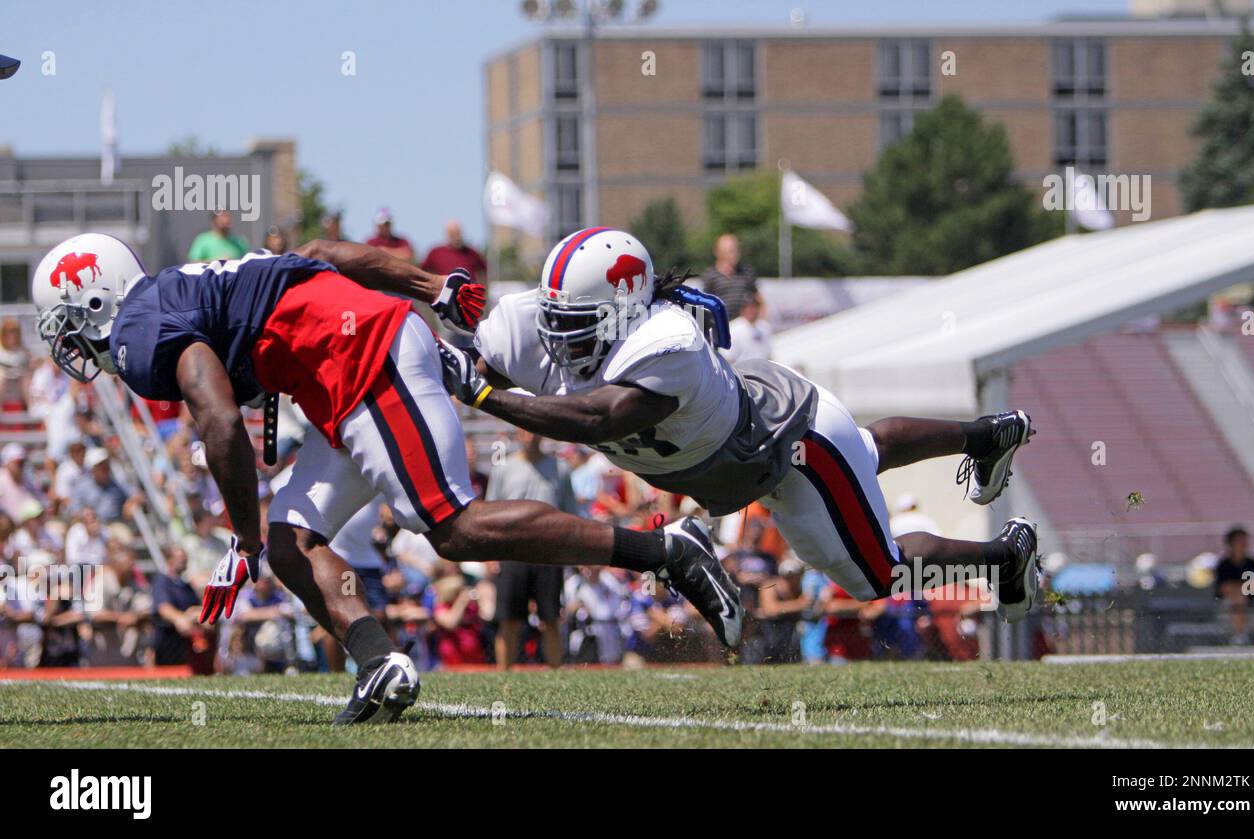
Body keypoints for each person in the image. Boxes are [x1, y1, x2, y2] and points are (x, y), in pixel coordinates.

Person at [33, 231, 737, 723]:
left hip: (366, 360)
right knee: (293, 538)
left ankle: (666, 549)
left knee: (452, 528)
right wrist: (431, 284)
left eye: (63, 321)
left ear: (92, 300)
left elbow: (218, 422)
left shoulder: (137, 331)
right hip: (346, 376)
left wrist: (238, 537)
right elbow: (317, 255)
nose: (68, 342)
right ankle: (378, 661)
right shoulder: (182, 287)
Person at [439, 227, 1042, 645]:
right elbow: (474, 351)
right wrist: (453, 338)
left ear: (622, 312)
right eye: (552, 319)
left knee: (874, 575)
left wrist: (487, 396)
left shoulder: (665, 343)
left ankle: (1004, 558)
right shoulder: (538, 319)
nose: (556, 339)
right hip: (743, 438)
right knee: (866, 450)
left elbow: (597, 419)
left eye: (574, 324)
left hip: (788, 447)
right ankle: (985, 437)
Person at [485, 428, 575, 669]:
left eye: (534, 431)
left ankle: (555, 674)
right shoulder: (503, 469)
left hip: (548, 554)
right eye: (524, 431)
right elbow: (491, 514)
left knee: (551, 618)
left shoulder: (560, 468)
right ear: (518, 434)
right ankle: (504, 678)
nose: (530, 435)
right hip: (513, 554)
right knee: (509, 620)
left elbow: (570, 513)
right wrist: (491, 554)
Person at [698, 233, 758, 321]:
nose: (735, 254)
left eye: (736, 250)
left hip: (742, 322)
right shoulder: (710, 276)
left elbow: (756, 297)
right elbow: (701, 304)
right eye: (730, 251)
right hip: (720, 324)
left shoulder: (746, 272)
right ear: (718, 252)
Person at [421, 220, 487, 282]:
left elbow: (484, 271)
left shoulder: (471, 252)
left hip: (468, 291)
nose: (456, 237)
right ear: (447, 234)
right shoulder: (435, 253)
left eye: (458, 233)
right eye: (452, 233)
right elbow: (423, 271)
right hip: (445, 291)